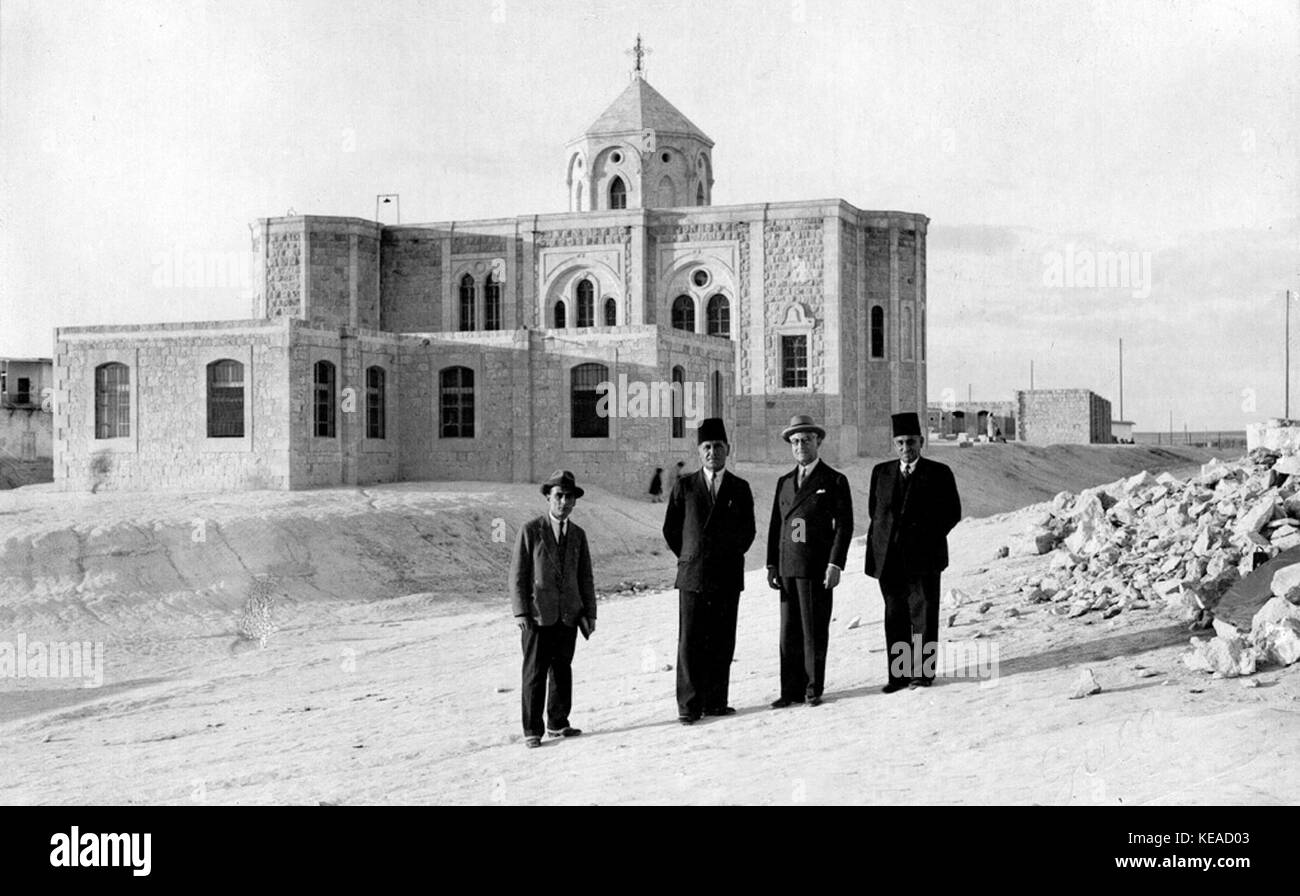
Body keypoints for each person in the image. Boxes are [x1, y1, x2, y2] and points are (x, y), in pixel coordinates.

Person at [662, 418, 756, 724]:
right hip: (692, 575)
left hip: (727, 575)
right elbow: (671, 530)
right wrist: (691, 556)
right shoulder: (685, 486)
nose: (712, 452)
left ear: (727, 449)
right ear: (699, 451)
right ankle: (689, 706)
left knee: (722, 639)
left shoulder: (739, 488)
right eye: (706, 447)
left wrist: (724, 556)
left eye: (717, 446)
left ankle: (716, 701)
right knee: (689, 641)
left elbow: (748, 532)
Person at [864, 412, 962, 692]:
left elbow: (952, 513)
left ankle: (922, 673)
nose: (906, 449)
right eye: (900, 443)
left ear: (921, 441)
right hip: (889, 560)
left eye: (910, 442)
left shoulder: (939, 472)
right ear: (894, 445)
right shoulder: (880, 472)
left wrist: (924, 537)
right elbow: (876, 512)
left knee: (923, 615)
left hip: (924, 558)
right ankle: (899, 675)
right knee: (895, 617)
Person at [765, 414, 854, 708]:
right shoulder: (784, 482)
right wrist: (771, 564)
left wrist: (835, 564)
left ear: (818, 441)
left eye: (806, 440)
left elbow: (844, 525)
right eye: (795, 441)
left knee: (814, 630)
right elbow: (777, 525)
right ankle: (789, 690)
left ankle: (812, 688)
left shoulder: (834, 480)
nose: (800, 446)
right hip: (788, 565)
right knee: (788, 631)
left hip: (816, 567)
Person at [509, 470, 597, 748]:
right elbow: (518, 575)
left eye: (569, 497)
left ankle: (558, 723)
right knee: (535, 672)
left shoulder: (579, 535)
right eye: (558, 496)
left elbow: (585, 577)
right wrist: (521, 612)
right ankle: (532, 730)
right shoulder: (531, 530)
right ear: (548, 497)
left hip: (568, 614)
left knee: (562, 669)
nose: (563, 502)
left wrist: (590, 612)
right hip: (538, 616)